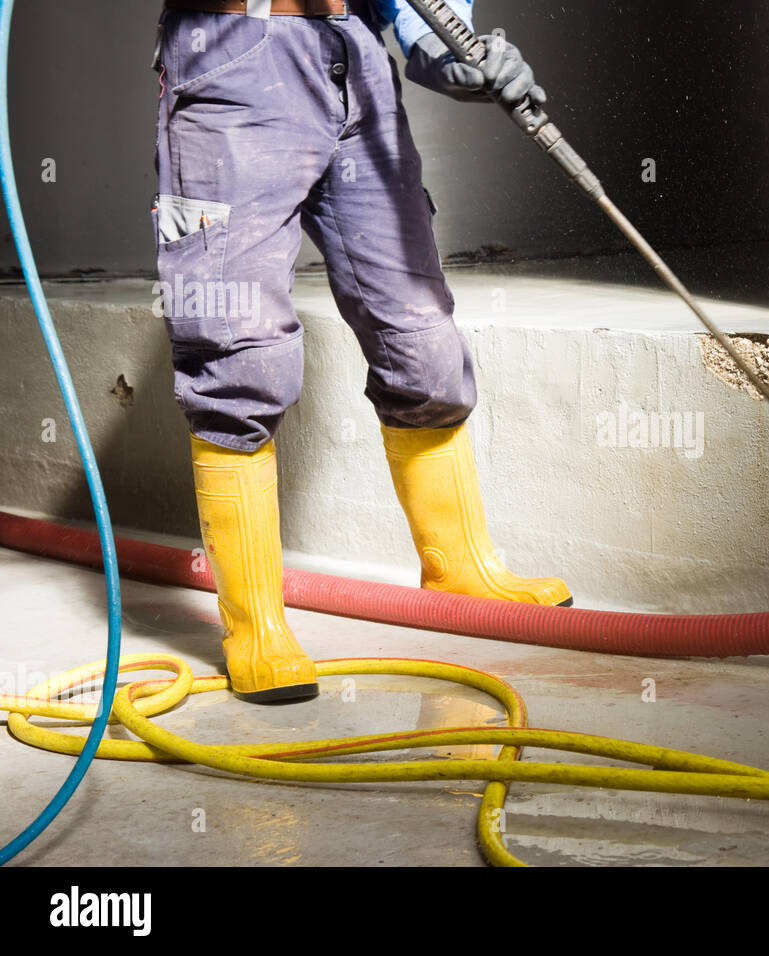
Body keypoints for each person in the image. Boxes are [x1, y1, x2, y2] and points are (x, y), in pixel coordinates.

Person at [151, 0, 570, 704]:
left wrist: (445, 42)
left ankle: (459, 569)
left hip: (357, 53)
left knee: (422, 340)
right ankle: (256, 627)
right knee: (239, 351)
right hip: (232, 51)